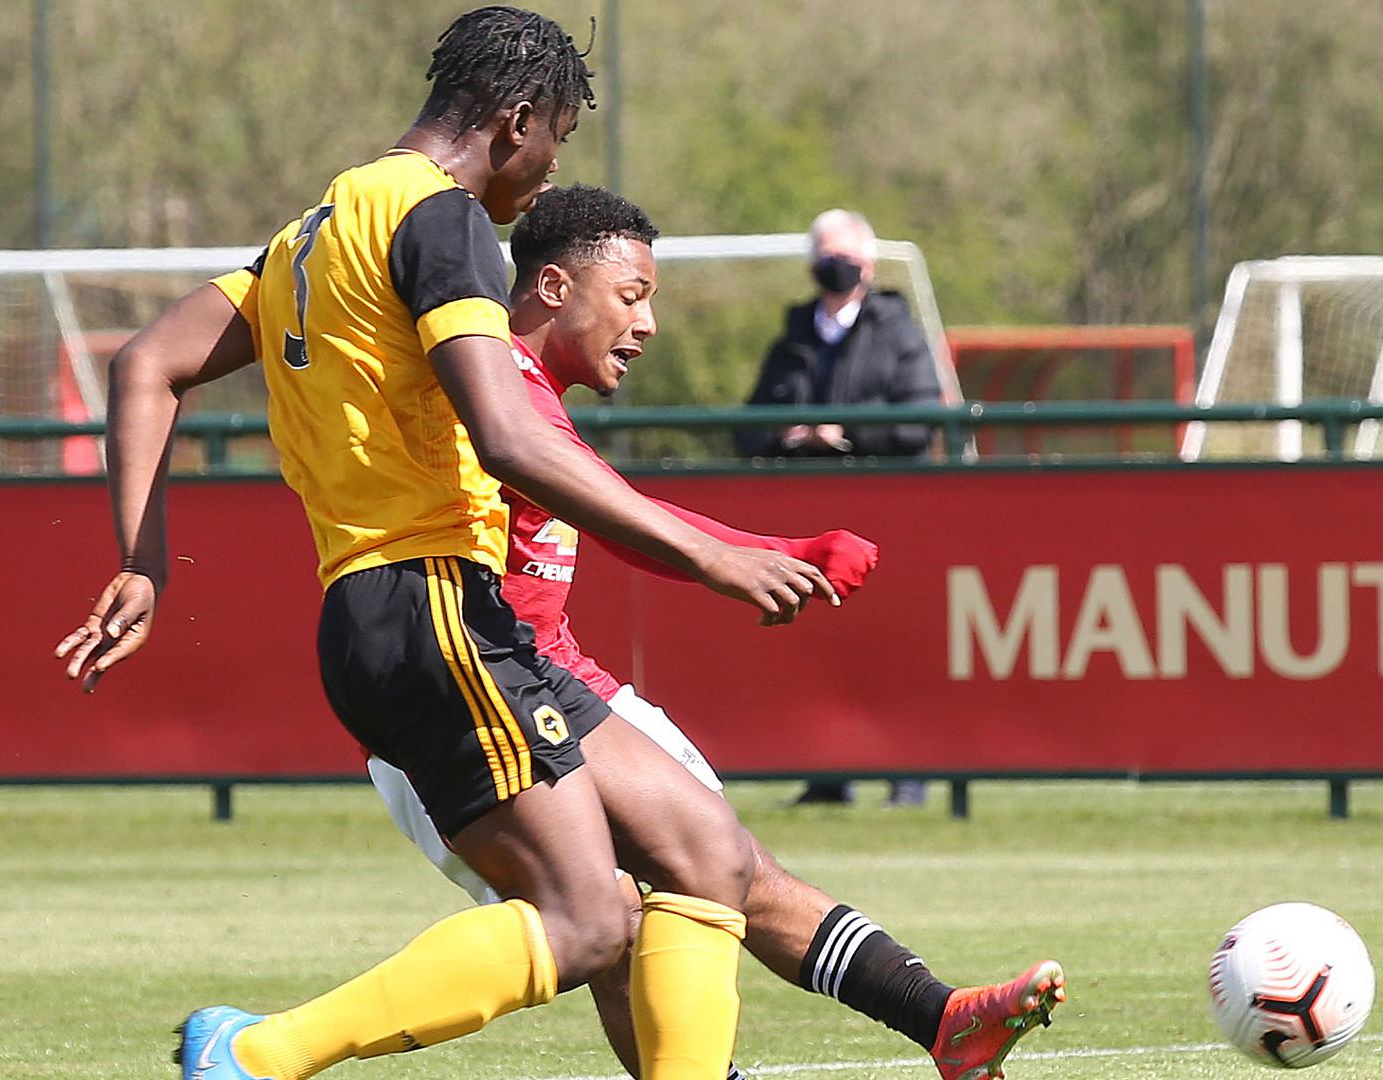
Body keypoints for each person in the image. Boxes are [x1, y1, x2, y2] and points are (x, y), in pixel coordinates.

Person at [54, 10, 837, 1080]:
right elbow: (508, 436)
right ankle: (257, 1054)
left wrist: (143, 561)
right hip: (429, 600)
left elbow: (146, 362)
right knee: (587, 920)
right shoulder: (440, 218)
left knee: (699, 850)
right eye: (554, 140)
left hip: (388, 612)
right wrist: (710, 556)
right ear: (516, 121)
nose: (548, 176)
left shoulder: (312, 232)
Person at [364, 182, 1064, 1080]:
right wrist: (753, 553)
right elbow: (626, 518)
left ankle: (944, 1020)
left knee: (724, 868)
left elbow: (625, 509)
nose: (647, 323)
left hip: (552, 685)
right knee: (610, 923)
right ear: (550, 288)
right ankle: (272, 1048)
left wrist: (771, 550)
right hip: (466, 703)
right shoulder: (493, 387)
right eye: (630, 295)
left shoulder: (524, 389)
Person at [738, 208, 946, 808]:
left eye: (846, 254)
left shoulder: (899, 334)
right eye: (825, 254)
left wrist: (847, 432)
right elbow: (748, 427)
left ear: (870, 264)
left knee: (895, 646)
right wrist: (790, 436)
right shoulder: (793, 339)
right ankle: (828, 775)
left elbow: (919, 422)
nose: (835, 266)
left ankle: (908, 778)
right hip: (810, 518)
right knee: (820, 647)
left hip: (889, 513)